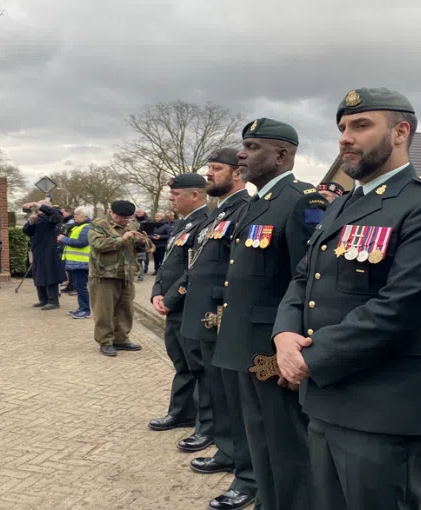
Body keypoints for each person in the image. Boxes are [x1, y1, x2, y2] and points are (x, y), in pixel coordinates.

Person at [272, 88, 421, 510]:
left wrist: (310, 357)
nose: (345, 137)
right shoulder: (341, 207)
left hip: (382, 409)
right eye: (342, 127)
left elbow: (405, 306)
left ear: (400, 132)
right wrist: (284, 334)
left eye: (361, 125)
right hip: (325, 398)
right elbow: (304, 277)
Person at [213, 118, 328, 510]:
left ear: (281, 155)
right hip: (245, 342)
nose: (241, 154)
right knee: (258, 437)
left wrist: (297, 352)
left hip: (273, 349)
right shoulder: (255, 202)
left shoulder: (302, 200)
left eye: (252, 146)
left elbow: (307, 282)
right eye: (242, 146)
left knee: (286, 444)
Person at [176, 149, 258, 510]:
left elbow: (236, 268)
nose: (208, 174)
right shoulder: (219, 211)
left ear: (238, 173)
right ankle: (226, 451)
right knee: (219, 393)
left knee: (238, 402)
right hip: (205, 317)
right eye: (209, 168)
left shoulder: (245, 208)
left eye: (216, 168)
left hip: (222, 316)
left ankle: (248, 474)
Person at [148, 174, 213, 450]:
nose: (171, 198)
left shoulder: (206, 223)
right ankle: (181, 412)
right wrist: (156, 293)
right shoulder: (182, 224)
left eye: (176, 194)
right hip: (173, 305)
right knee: (181, 362)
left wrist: (173, 297)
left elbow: (195, 268)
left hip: (190, 304)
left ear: (195, 195)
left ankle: (205, 423)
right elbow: (167, 264)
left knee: (198, 366)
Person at [88, 200, 153, 357]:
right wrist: (122, 238)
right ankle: (105, 341)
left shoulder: (131, 225)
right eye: (121, 217)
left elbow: (148, 247)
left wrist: (142, 242)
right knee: (104, 310)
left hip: (126, 273)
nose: (125, 221)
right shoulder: (99, 224)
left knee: (125, 309)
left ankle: (121, 339)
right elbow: (98, 245)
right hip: (104, 274)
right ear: (112, 213)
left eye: (127, 218)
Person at [22, 200, 66, 310]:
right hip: (38, 251)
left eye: (40, 207)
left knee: (50, 275)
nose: (38, 209)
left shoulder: (53, 217)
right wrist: (31, 222)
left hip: (49, 251)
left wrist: (40, 205)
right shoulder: (38, 218)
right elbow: (27, 231)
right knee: (39, 275)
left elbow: (57, 216)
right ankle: (43, 299)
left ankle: (53, 301)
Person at [58, 206, 93, 319]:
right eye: (75, 214)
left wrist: (63, 239)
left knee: (81, 287)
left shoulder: (86, 227)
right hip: (76, 262)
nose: (75, 216)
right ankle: (81, 308)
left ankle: (85, 310)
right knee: (78, 286)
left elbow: (81, 243)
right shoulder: (79, 227)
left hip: (82, 262)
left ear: (86, 216)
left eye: (78, 214)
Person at [59, 206, 76, 294]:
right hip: (65, 246)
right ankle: (70, 285)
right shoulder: (65, 220)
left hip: (70, 246)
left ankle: (73, 286)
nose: (61, 215)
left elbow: (64, 229)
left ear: (68, 212)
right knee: (68, 268)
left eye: (62, 213)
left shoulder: (72, 220)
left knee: (72, 268)